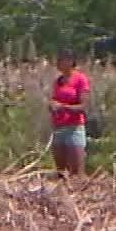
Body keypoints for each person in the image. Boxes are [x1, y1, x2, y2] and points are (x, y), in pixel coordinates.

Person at [49, 48, 91, 176]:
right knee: (61, 171)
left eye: (61, 60)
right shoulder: (58, 81)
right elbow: (55, 99)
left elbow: (84, 106)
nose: (58, 63)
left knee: (76, 170)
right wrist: (52, 106)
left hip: (74, 127)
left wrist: (63, 107)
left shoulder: (80, 79)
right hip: (59, 127)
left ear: (70, 61)